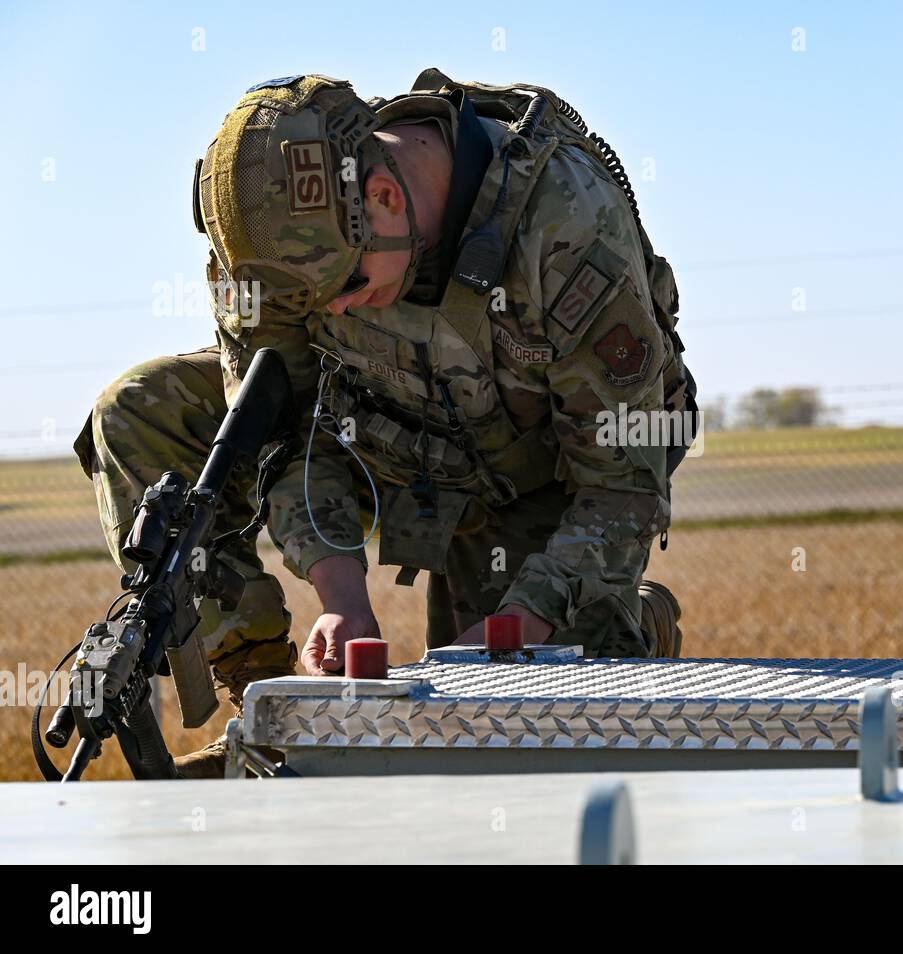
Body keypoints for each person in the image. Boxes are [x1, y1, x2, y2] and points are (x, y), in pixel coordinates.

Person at [74, 69, 696, 777]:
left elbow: (623, 487)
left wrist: (522, 620)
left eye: (345, 289)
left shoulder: (567, 226)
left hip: (540, 481)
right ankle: (276, 714)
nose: (334, 313)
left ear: (385, 196)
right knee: (139, 413)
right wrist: (340, 596)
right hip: (380, 442)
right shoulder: (275, 241)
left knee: (501, 735)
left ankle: (627, 623)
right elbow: (283, 432)